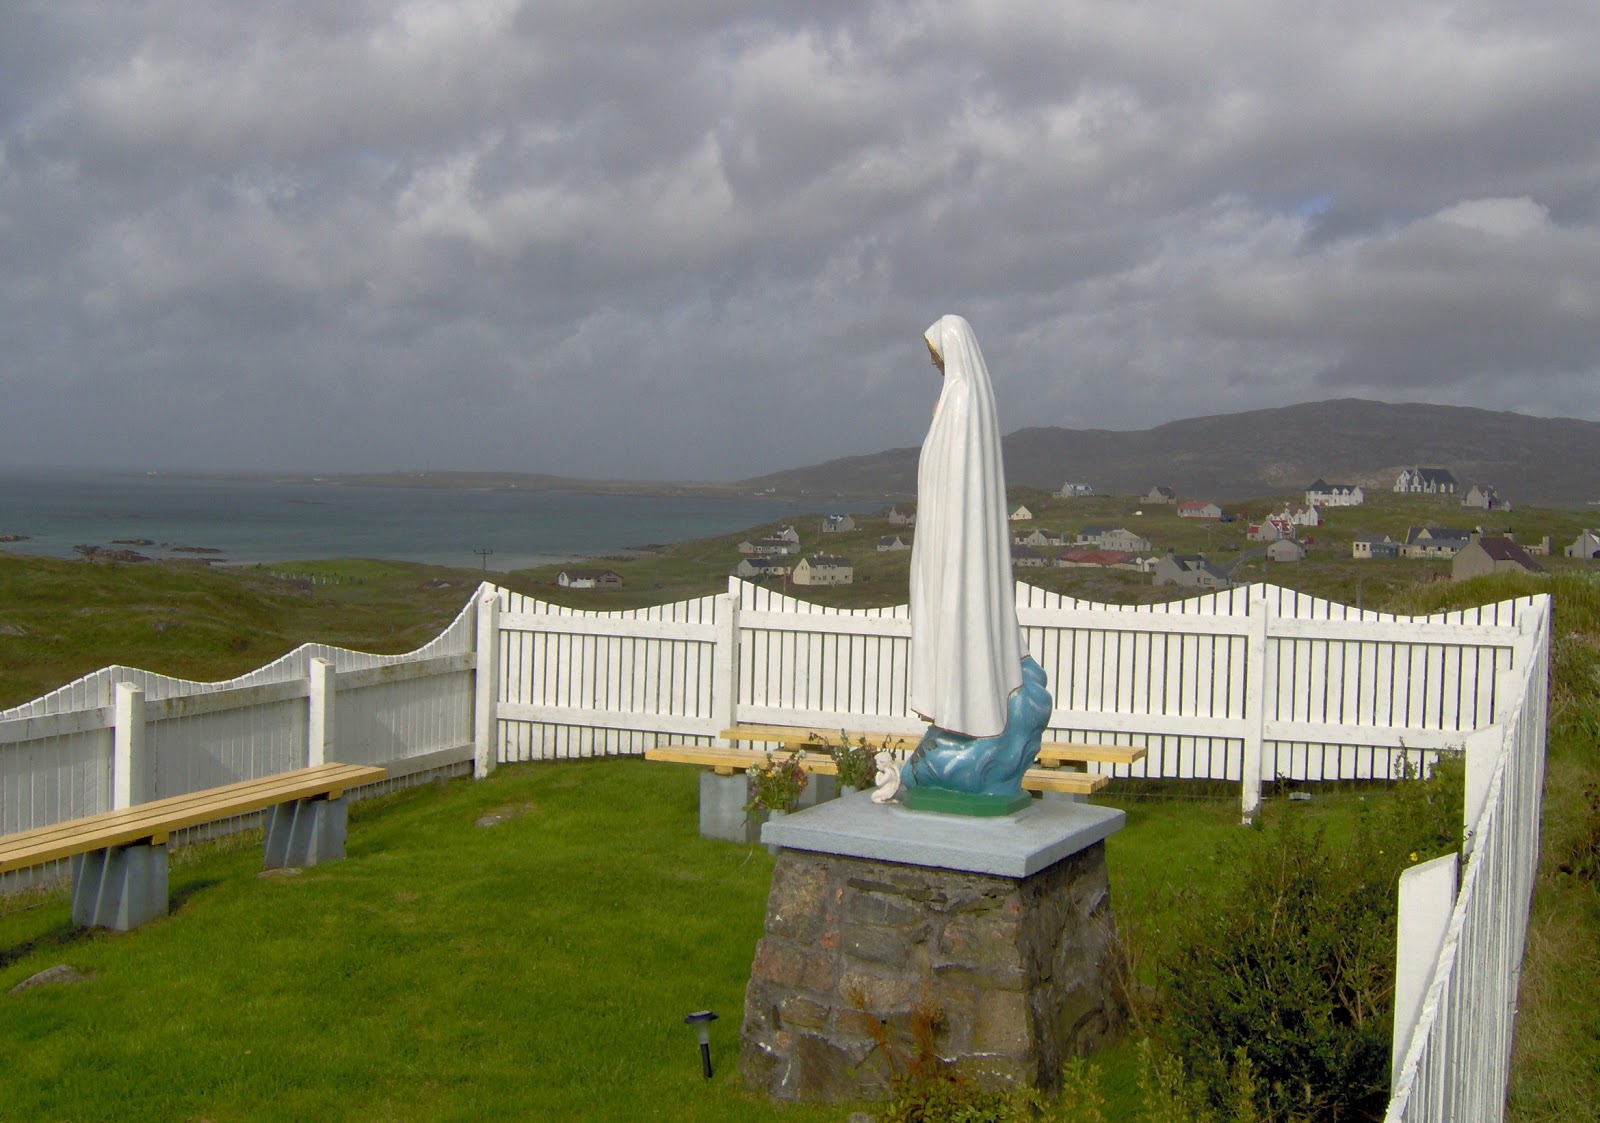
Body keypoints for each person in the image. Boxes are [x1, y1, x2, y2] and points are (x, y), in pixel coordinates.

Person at [902, 315, 1050, 806]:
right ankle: (956, 719)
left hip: (958, 538)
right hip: (949, 533)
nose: (933, 364)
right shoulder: (962, 397)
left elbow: (957, 472)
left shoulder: (963, 400)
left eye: (935, 356)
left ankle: (974, 722)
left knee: (962, 618)